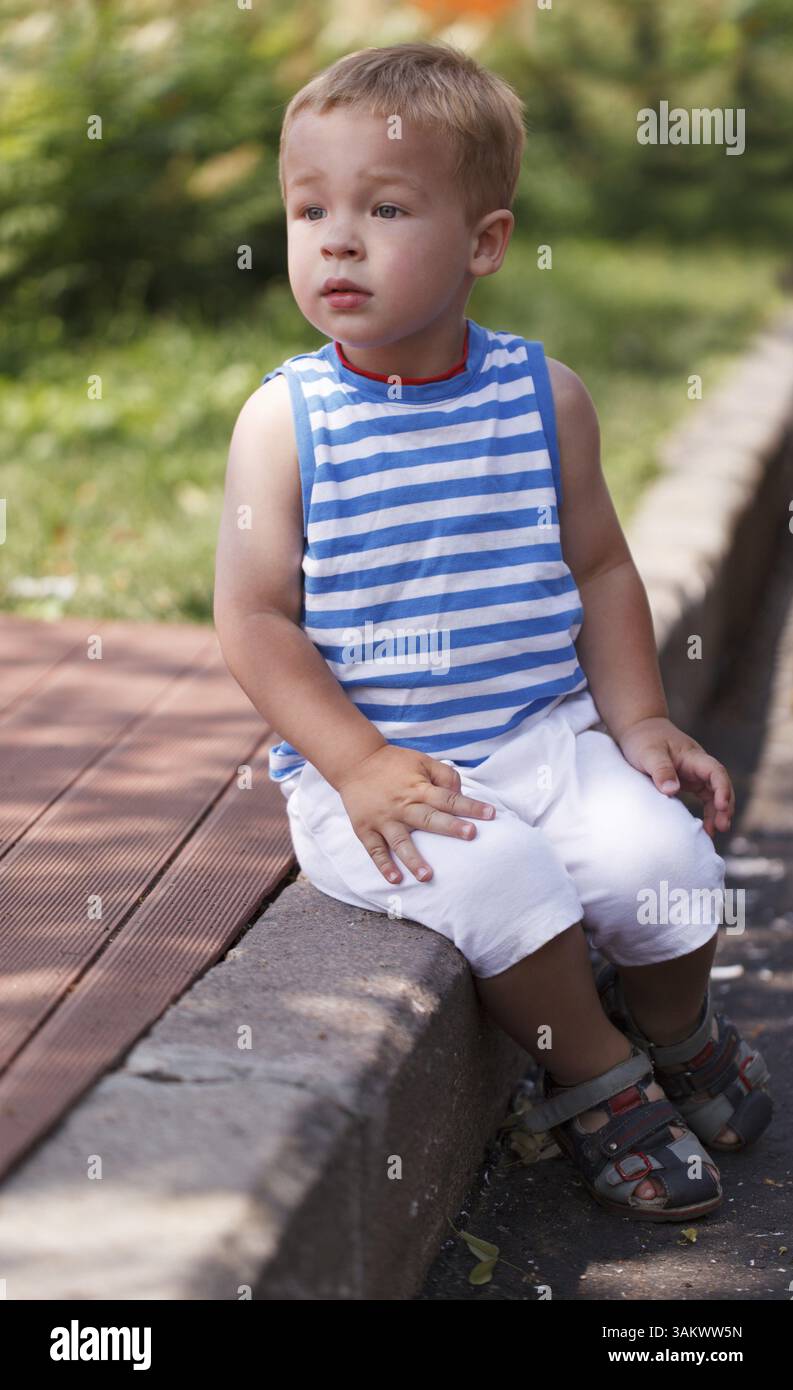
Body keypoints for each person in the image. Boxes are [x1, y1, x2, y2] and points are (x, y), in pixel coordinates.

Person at [213, 41, 773, 1221]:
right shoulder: (286, 421)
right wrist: (355, 762)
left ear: (484, 244)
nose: (336, 239)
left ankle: (674, 1027)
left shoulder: (540, 395)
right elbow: (255, 619)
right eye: (309, 207)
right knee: (508, 885)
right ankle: (595, 1077)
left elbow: (603, 565)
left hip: (542, 731)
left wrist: (640, 720)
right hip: (378, 773)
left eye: (385, 207)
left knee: (667, 868)